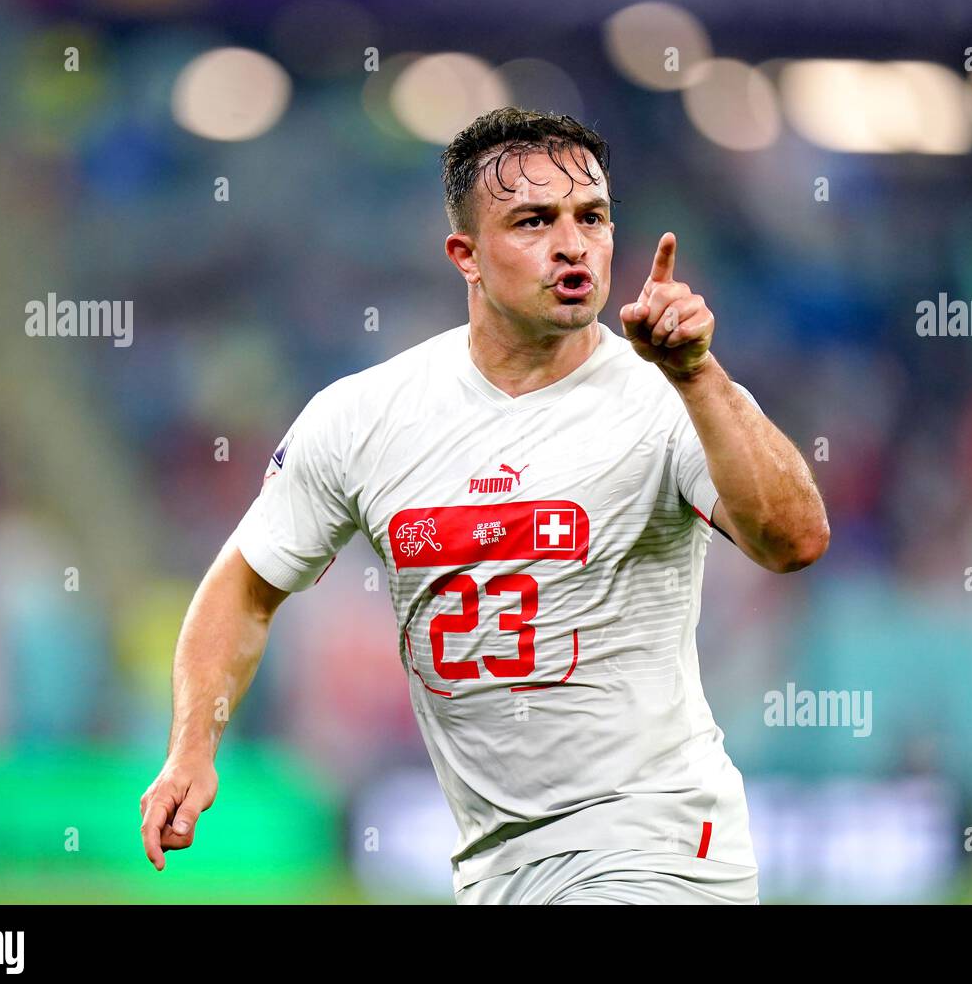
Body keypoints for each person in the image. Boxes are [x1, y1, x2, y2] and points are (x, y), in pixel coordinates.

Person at [140, 107, 830, 905]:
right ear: (464, 255)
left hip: (657, 849)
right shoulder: (363, 416)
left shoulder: (669, 393)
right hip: (497, 871)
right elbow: (244, 584)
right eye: (534, 221)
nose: (573, 243)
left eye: (592, 217)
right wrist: (192, 746)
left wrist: (702, 377)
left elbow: (795, 540)